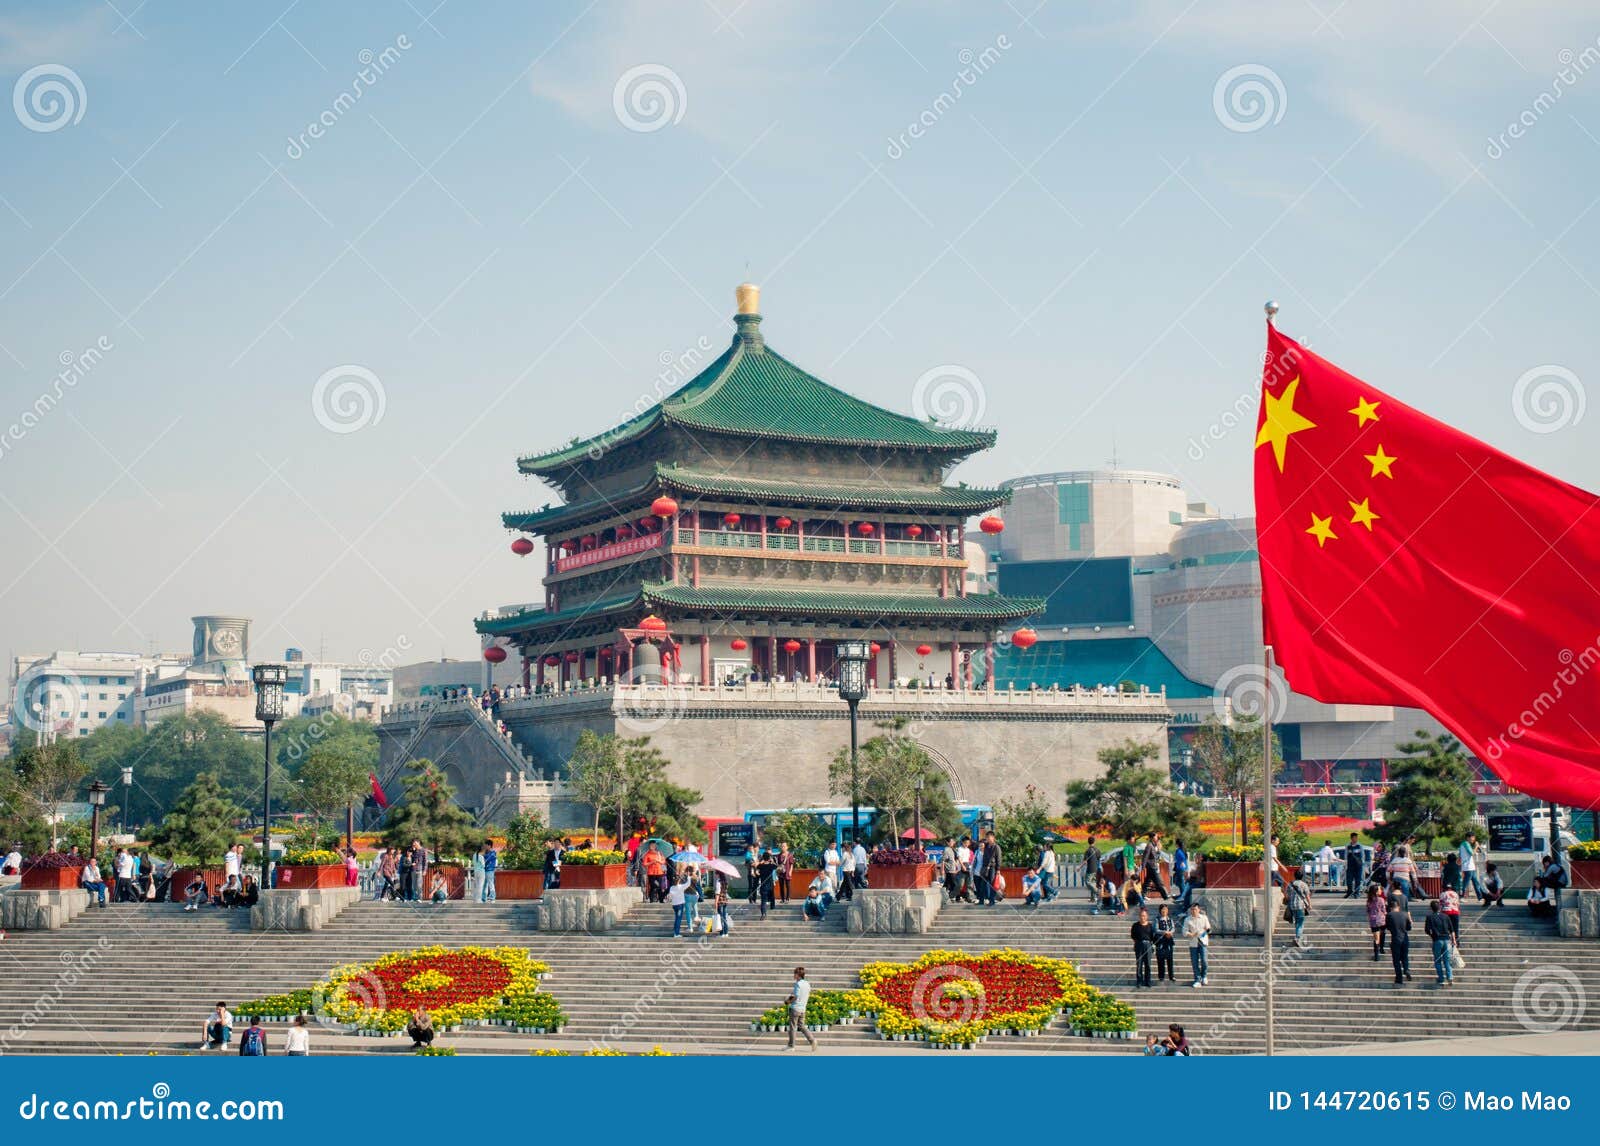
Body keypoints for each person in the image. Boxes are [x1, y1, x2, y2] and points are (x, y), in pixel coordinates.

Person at [1424, 899, 1455, 986]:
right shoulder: (1446, 916)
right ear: (1440, 907)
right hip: (1447, 940)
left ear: (1431, 908)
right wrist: (1454, 940)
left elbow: (1427, 930)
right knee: (1447, 960)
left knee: (1437, 960)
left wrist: (1432, 935)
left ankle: (1441, 978)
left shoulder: (1429, 917)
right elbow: (1452, 929)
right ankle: (1450, 977)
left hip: (1437, 940)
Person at [785, 966, 816, 1051]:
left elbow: (796, 996)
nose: (793, 975)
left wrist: (788, 1001)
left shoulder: (798, 984)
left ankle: (791, 1046)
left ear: (798, 975)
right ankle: (812, 1040)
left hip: (795, 1008)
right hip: (803, 1008)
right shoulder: (807, 984)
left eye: (795, 973)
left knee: (792, 1027)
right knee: (802, 1026)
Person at [1387, 891, 1413, 985]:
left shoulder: (1389, 915)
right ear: (1398, 907)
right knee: (1405, 956)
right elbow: (1409, 927)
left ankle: (1399, 978)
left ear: (1391, 908)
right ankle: (1406, 970)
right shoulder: (1405, 914)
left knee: (1396, 959)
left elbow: (1388, 927)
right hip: (1405, 938)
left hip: (1395, 939)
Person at [1182, 902, 1211, 987]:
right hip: (1193, 942)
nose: (1193, 911)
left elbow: (1208, 928)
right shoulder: (1187, 919)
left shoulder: (1204, 918)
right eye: (1192, 909)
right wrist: (1190, 934)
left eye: (1195, 909)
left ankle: (1204, 976)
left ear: (1199, 910)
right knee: (1194, 962)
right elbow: (1184, 932)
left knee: (1204, 961)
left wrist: (1206, 931)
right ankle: (1197, 979)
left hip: (1203, 942)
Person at [1287, 868, 1313, 947]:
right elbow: (1307, 896)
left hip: (1292, 906)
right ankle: (1297, 938)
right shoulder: (1303, 884)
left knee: (1297, 922)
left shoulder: (1290, 884)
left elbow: (1286, 894)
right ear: (1302, 876)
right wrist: (1309, 905)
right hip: (1300, 906)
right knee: (1300, 923)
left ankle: (1297, 936)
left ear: (1294, 876)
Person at [1130, 906, 1155, 988]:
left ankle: (1148, 981)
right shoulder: (1135, 925)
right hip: (1139, 945)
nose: (1142, 917)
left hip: (1148, 945)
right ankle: (1139, 981)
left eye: (1144, 916)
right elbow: (1133, 936)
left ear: (1147, 916)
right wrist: (1137, 943)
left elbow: (1152, 937)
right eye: (1141, 916)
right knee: (1139, 964)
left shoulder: (1150, 926)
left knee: (1148, 964)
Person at [1153, 902, 1177, 982]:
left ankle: (1171, 976)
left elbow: (1173, 928)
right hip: (1160, 941)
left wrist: (1170, 933)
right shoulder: (1157, 919)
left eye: (1166, 909)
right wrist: (1164, 932)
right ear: (1160, 910)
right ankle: (1161, 976)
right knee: (1160, 959)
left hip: (1169, 941)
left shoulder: (1170, 919)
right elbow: (1156, 929)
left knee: (1170, 959)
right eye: (1163, 909)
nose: (1164, 911)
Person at [1459, 833, 1486, 901]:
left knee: (1475, 882)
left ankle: (1480, 897)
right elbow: (1471, 853)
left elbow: (1475, 852)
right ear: (1468, 838)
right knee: (1465, 883)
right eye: (1472, 837)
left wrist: (1477, 847)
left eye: (1474, 837)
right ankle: (1462, 897)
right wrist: (1476, 846)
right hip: (1468, 867)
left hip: (1470, 867)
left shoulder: (1464, 844)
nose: (1474, 839)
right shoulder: (1465, 844)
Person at [978, 831, 1002, 906]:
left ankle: (992, 901)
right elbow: (984, 857)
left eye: (989, 837)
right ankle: (981, 900)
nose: (988, 838)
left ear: (993, 837)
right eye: (987, 837)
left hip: (992, 867)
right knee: (982, 884)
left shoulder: (996, 847)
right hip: (985, 867)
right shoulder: (986, 846)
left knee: (992, 884)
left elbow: (999, 859)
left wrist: (998, 869)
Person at [1366, 884, 1388, 961]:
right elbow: (1384, 910)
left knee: (1376, 938)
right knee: (1383, 933)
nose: (1381, 890)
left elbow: (1368, 911)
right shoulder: (1381, 899)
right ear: (1376, 891)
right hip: (1381, 920)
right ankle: (1381, 948)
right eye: (1379, 889)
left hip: (1373, 920)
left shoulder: (1369, 900)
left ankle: (1376, 955)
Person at [756, 849, 778, 919]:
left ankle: (763, 913)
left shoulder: (760, 866)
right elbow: (777, 866)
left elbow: (757, 867)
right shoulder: (771, 865)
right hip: (770, 884)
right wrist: (772, 861)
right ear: (769, 858)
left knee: (763, 900)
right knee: (772, 896)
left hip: (763, 885)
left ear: (763, 858)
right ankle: (772, 906)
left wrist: (761, 862)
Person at [1082, 835, 1102, 908]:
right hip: (1096, 869)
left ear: (1088, 842)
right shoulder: (1097, 850)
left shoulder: (1088, 851)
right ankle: (1092, 898)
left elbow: (1085, 861)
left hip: (1090, 869)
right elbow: (1099, 858)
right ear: (1094, 842)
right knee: (1093, 883)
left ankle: (1097, 892)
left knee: (1088, 882)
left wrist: (1079, 868)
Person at [1344, 833, 1365, 898]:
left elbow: (1363, 856)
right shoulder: (1348, 846)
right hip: (1350, 865)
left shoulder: (1360, 846)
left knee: (1358, 880)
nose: (1355, 839)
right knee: (1349, 880)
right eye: (1354, 838)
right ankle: (1349, 892)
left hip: (1358, 866)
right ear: (1351, 838)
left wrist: (1362, 864)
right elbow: (1345, 856)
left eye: (1356, 838)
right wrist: (1345, 865)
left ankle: (1357, 893)